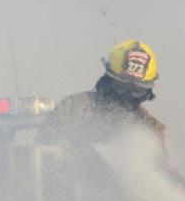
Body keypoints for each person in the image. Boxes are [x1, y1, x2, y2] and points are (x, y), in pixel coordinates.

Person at [37, 39, 166, 148]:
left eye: (137, 90)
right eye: (122, 86)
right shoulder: (73, 107)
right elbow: (46, 150)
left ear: (146, 92)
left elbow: (159, 163)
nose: (127, 95)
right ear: (108, 80)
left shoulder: (150, 127)